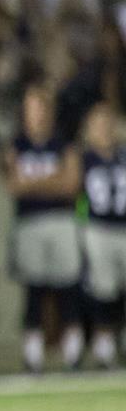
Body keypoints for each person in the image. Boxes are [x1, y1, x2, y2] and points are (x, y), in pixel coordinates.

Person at [5, 85, 82, 373]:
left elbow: (71, 185)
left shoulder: (63, 142)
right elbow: (14, 185)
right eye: (32, 109)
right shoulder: (17, 143)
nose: (37, 115)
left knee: (67, 286)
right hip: (29, 223)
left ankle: (73, 352)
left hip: (62, 220)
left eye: (41, 108)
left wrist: (33, 183)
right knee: (34, 288)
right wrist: (53, 179)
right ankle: (33, 355)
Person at [79, 102, 126, 367]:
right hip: (98, 228)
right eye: (99, 125)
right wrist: (81, 222)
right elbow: (77, 197)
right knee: (103, 290)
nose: (105, 130)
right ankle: (105, 344)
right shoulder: (84, 159)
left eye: (108, 124)